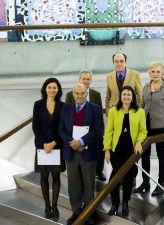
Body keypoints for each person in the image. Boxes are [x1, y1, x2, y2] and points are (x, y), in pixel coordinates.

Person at [59, 83, 102, 225]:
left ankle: (88, 215)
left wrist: (82, 142)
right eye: (76, 93)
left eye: (82, 93)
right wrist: (73, 142)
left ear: (86, 93)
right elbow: (61, 130)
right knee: (74, 185)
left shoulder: (94, 109)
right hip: (71, 153)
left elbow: (97, 131)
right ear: (73, 93)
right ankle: (76, 213)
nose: (79, 96)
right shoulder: (65, 108)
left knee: (89, 185)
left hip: (88, 153)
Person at [133, 61, 164, 196]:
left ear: (162, 73)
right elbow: (141, 106)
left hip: (160, 127)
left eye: (158, 72)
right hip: (146, 127)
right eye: (153, 72)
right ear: (149, 73)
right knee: (144, 155)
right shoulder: (146, 86)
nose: (156, 74)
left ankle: (160, 183)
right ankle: (145, 182)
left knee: (161, 155)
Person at [104, 86, 147, 217]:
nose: (126, 97)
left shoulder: (139, 111)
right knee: (114, 178)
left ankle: (125, 203)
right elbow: (109, 131)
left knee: (129, 177)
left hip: (132, 151)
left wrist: (139, 141)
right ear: (120, 96)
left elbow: (143, 131)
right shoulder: (113, 111)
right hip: (116, 150)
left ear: (132, 97)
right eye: (124, 94)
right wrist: (107, 150)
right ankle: (115, 204)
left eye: (129, 95)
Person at [32, 77, 66, 221]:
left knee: (56, 176)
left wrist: (54, 142)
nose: (52, 90)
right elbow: (36, 126)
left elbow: (63, 127)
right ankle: (47, 206)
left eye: (55, 87)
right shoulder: (38, 104)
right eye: (49, 87)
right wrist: (45, 143)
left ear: (58, 90)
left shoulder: (62, 106)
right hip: (42, 146)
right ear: (45, 89)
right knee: (44, 176)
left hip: (57, 146)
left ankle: (55, 206)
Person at [65, 69, 106, 181]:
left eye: (88, 79)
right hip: (76, 131)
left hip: (92, 130)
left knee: (99, 146)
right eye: (84, 79)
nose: (86, 81)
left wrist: (101, 131)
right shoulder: (70, 94)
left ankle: (99, 171)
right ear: (79, 79)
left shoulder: (96, 94)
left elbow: (99, 115)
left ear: (91, 81)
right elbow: (68, 116)